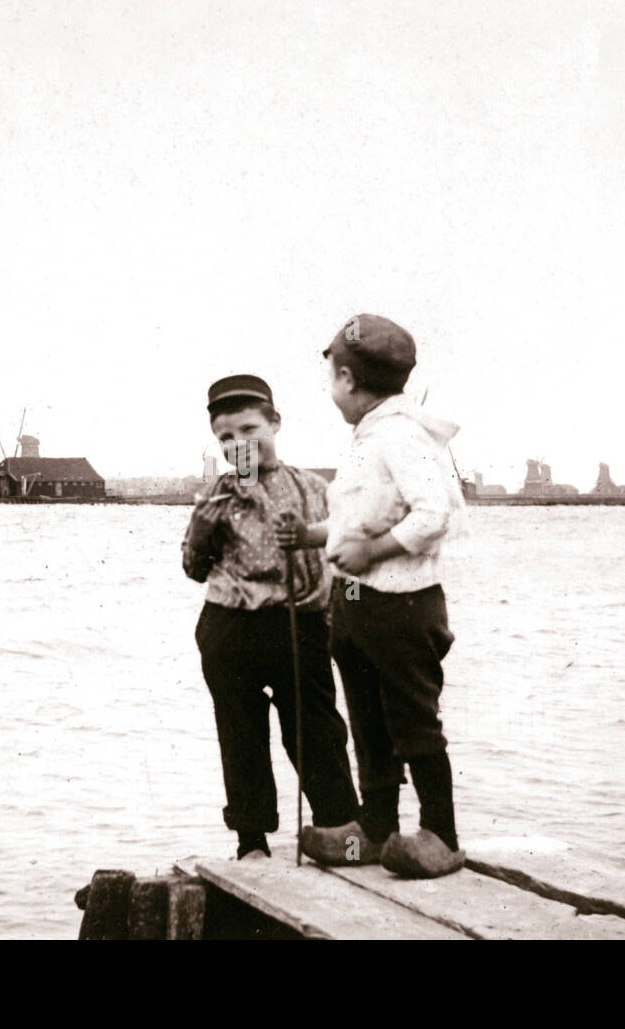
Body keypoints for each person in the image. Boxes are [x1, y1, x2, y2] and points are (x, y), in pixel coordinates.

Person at [278, 315, 470, 878]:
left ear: (345, 378)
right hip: (359, 605)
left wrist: (376, 551)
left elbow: (432, 514)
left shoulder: (400, 435)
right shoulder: (370, 436)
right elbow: (355, 519)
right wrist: (312, 536)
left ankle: (441, 836)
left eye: (331, 377)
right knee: (367, 722)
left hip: (404, 607)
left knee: (412, 722)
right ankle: (375, 832)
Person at [182, 374, 361, 860]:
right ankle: (252, 840)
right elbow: (193, 570)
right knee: (240, 733)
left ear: (275, 423)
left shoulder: (313, 488)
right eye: (225, 437)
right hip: (230, 627)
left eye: (248, 429)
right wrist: (203, 527)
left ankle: (340, 829)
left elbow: (342, 555)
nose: (237, 444)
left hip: (299, 624)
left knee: (317, 729)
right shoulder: (217, 495)